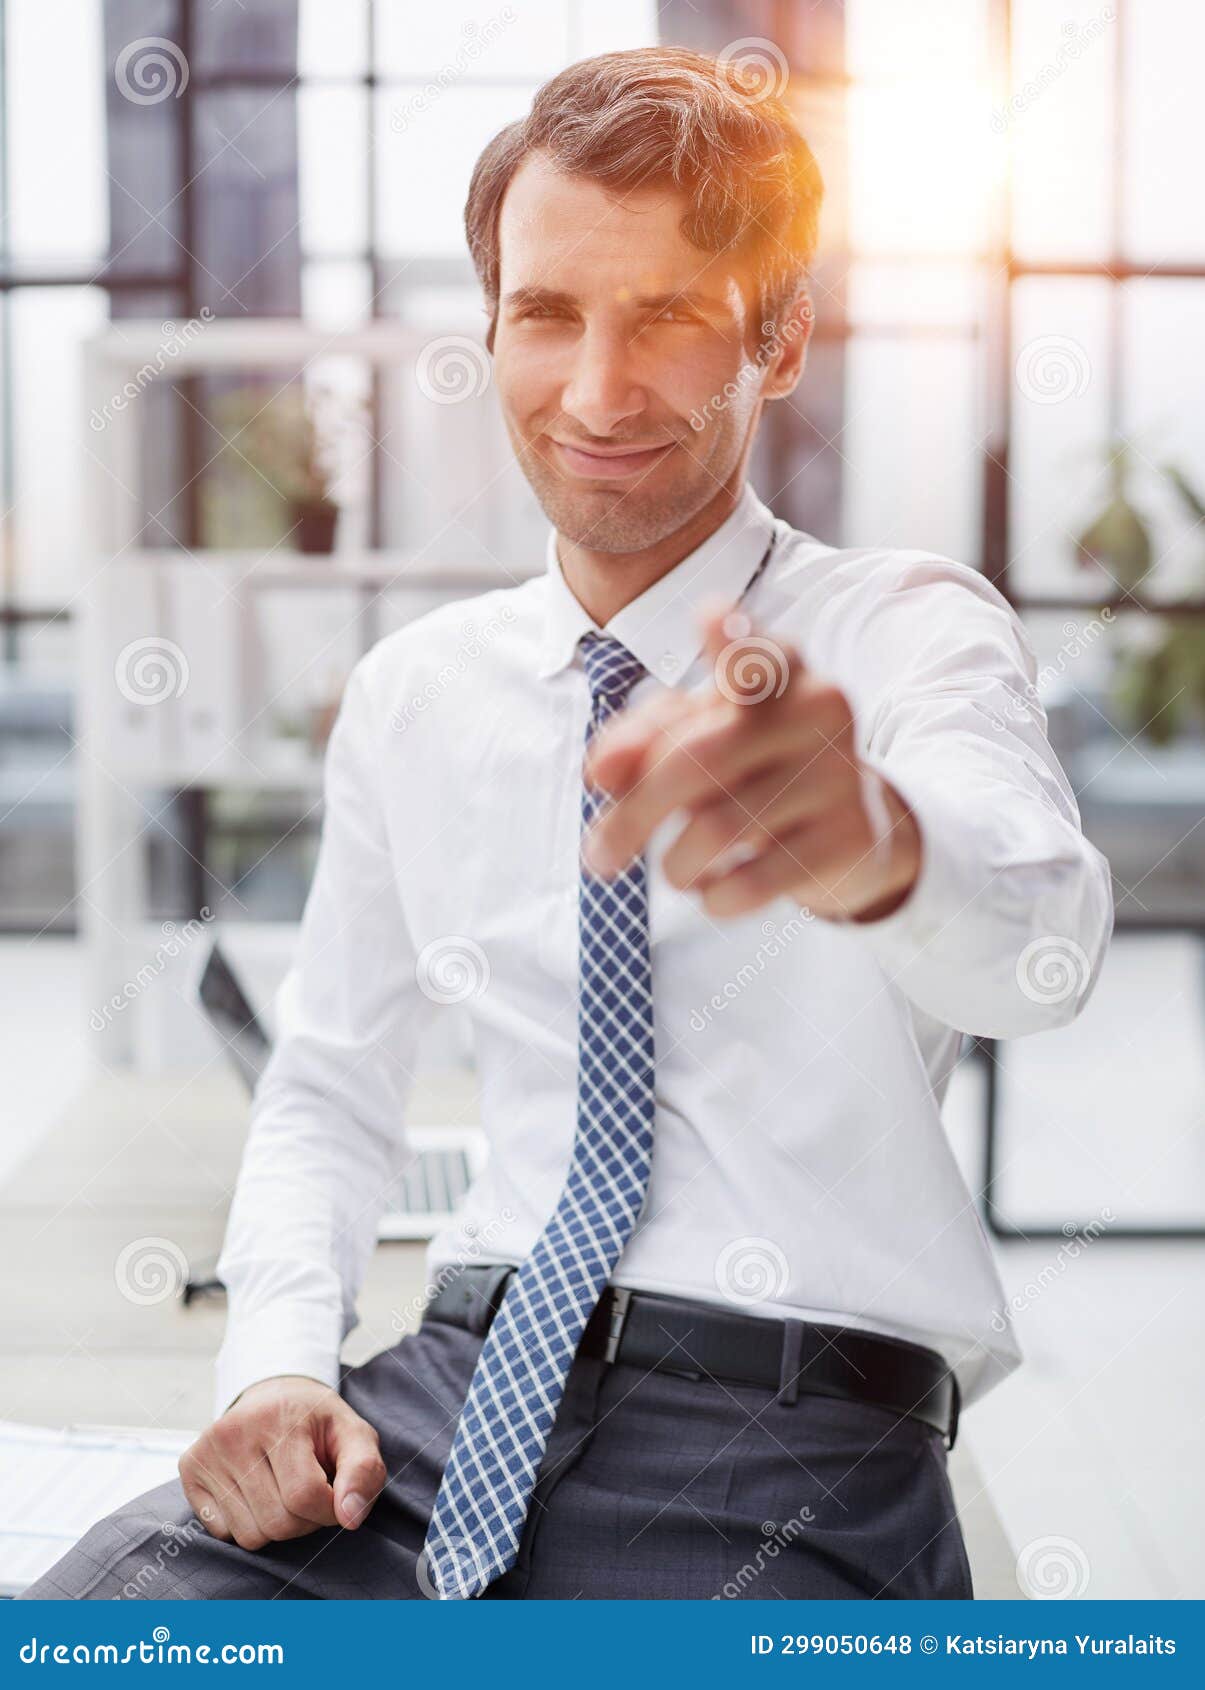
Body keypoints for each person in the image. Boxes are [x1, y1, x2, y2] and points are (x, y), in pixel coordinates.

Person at [25, 46, 1112, 1603]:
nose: (596, 392)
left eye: (666, 318)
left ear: (780, 335)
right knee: (96, 1623)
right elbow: (330, 1086)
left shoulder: (905, 634)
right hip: (445, 1398)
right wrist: (273, 1364)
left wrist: (877, 842)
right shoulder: (416, 694)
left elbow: (1044, 954)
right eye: (545, 316)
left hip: (792, 1441)